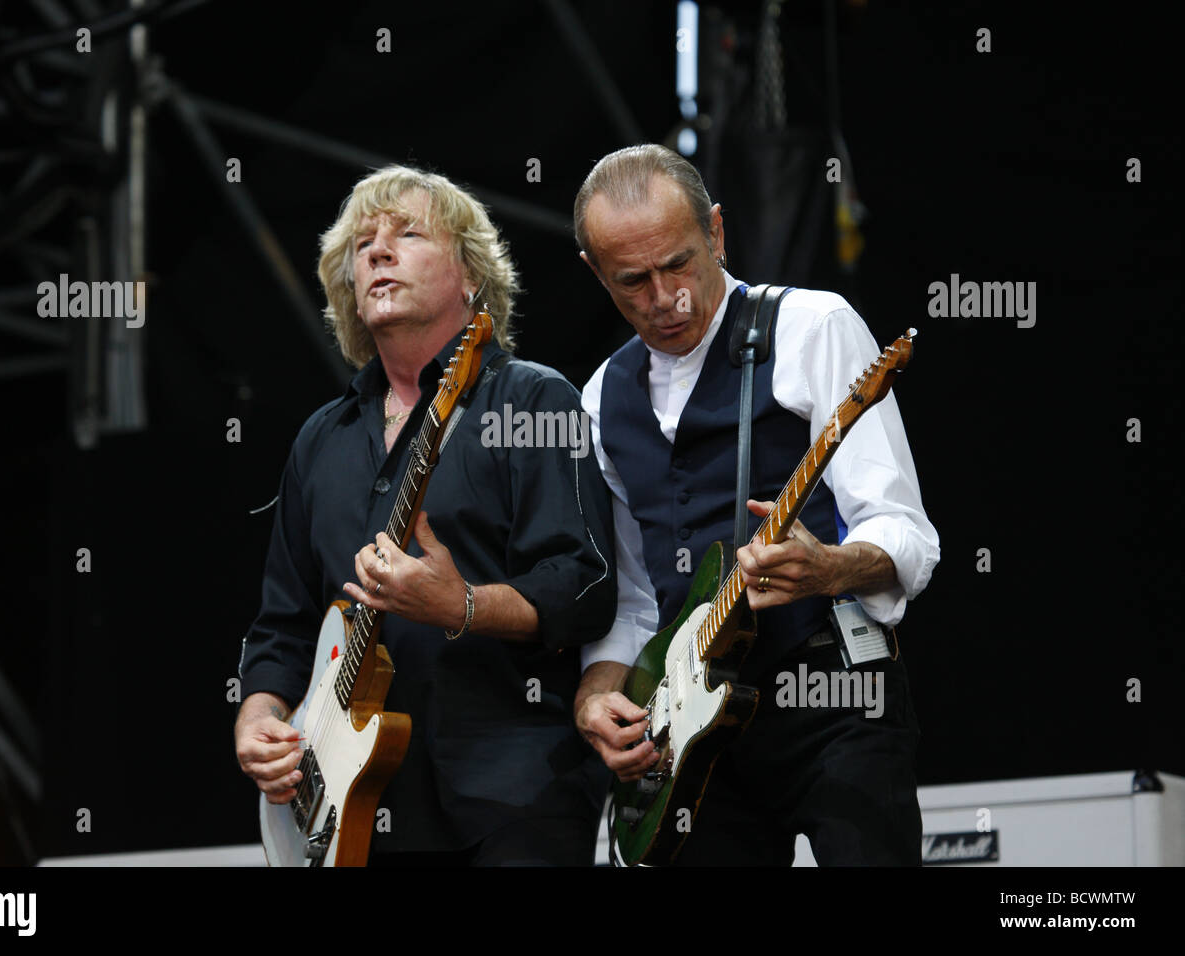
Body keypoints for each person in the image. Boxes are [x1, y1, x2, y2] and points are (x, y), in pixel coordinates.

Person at [234, 165, 615, 866]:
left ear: (472, 278)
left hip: (514, 797)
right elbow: (282, 625)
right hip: (359, 808)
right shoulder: (321, 439)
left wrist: (461, 603)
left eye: (408, 234)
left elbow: (583, 585)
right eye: (363, 244)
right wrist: (258, 719)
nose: (378, 251)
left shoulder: (532, 403)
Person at [572, 144, 939, 866]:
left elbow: (906, 532)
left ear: (716, 231)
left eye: (678, 263)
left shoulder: (813, 327)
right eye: (632, 281)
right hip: (695, 729)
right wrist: (595, 699)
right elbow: (636, 602)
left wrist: (830, 567)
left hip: (834, 689)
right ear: (594, 272)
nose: (663, 297)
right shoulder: (598, 399)